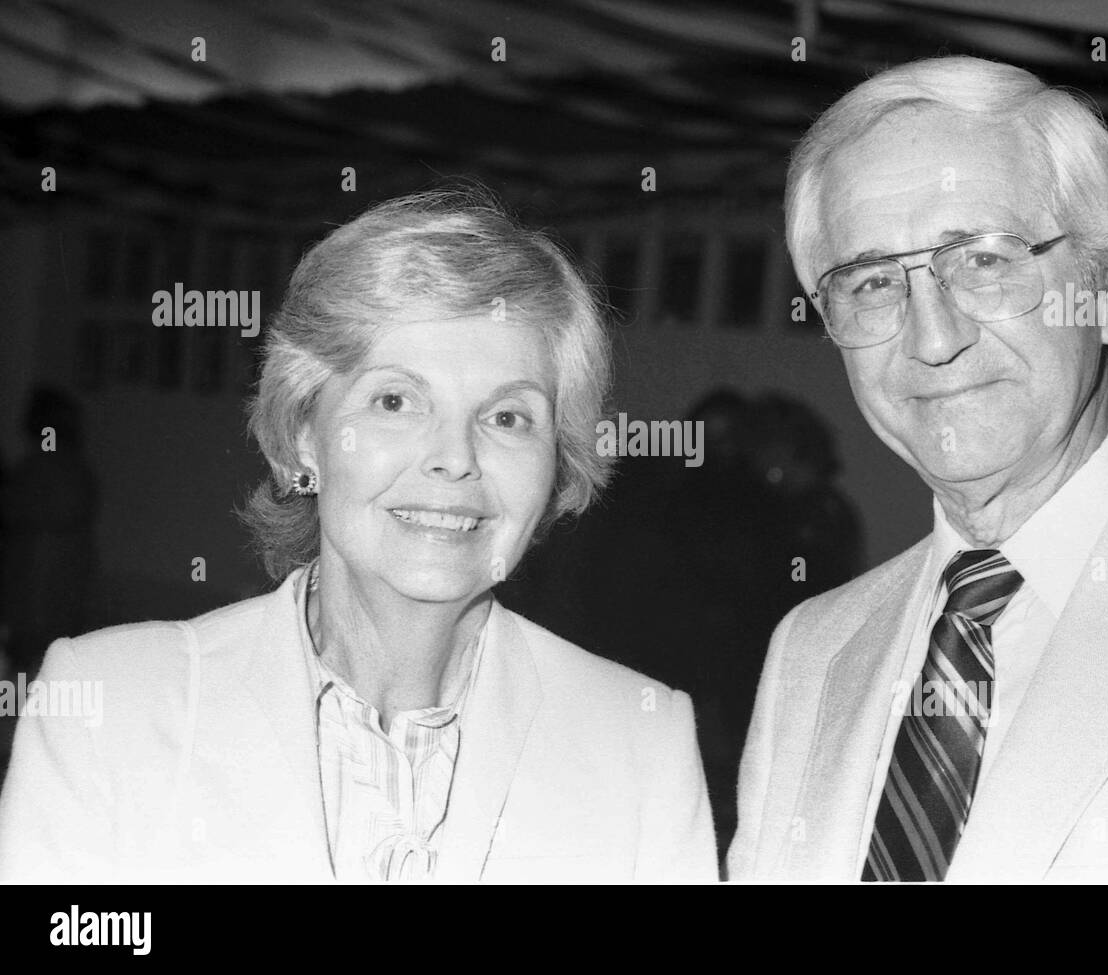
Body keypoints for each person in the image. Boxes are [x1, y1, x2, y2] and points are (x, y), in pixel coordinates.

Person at [0, 191, 716, 883]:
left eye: (508, 417)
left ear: (557, 459)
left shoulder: (640, 743)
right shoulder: (111, 710)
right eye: (395, 400)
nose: (455, 457)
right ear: (304, 435)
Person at [730, 56, 1108, 883]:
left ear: (1106, 289)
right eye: (871, 282)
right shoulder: (812, 651)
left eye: (985, 260)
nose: (932, 338)